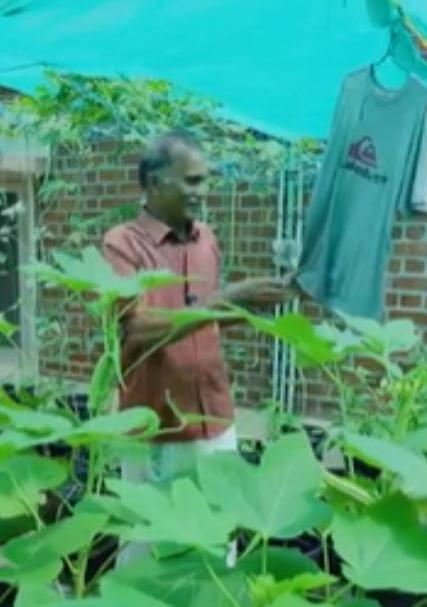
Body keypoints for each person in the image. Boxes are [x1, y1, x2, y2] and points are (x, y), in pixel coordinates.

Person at [102, 131, 295, 564]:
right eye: (191, 181)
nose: (202, 192)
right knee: (147, 548)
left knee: (216, 541)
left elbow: (204, 318)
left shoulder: (206, 239)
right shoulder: (124, 244)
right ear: (153, 183)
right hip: (158, 427)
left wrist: (255, 304)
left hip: (215, 418)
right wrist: (230, 300)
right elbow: (136, 329)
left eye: (204, 180)